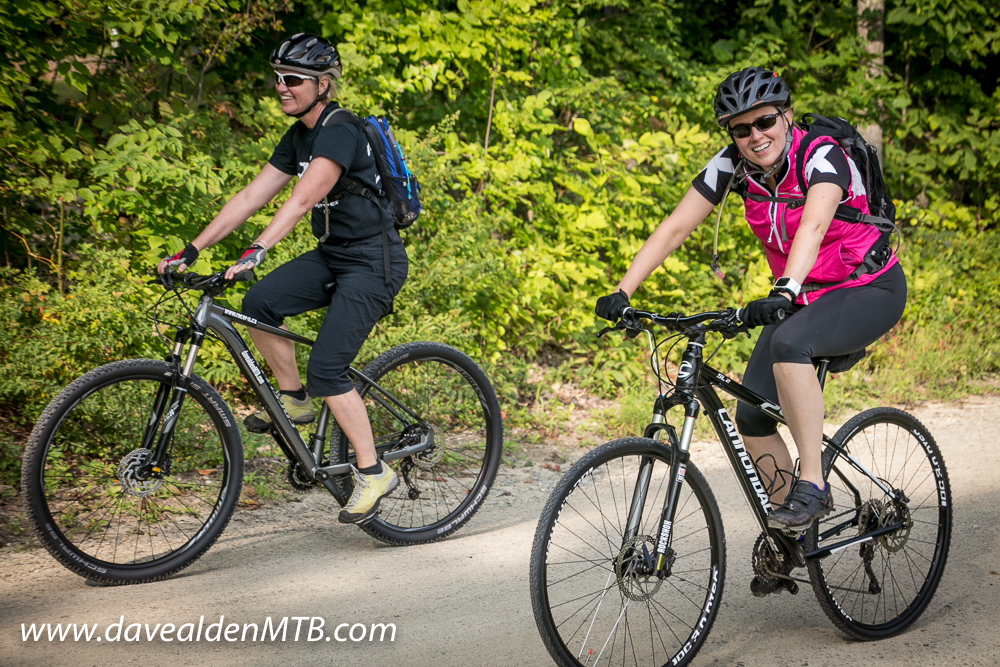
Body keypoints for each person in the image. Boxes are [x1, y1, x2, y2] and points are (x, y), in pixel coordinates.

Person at [595, 66, 906, 592]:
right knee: (752, 416)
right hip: (803, 295)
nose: (755, 136)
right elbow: (674, 226)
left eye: (765, 121)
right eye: (741, 129)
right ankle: (793, 536)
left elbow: (812, 224)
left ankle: (813, 483)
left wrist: (784, 290)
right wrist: (623, 291)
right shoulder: (733, 166)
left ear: (785, 116)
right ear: (731, 134)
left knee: (789, 343)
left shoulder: (822, 154)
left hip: (868, 288)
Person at [157, 33, 408, 525]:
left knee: (329, 370)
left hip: (373, 264)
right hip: (334, 255)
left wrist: (257, 250)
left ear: (322, 84)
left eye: (292, 79)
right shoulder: (299, 136)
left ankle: (373, 470)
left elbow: (300, 200)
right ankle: (293, 402)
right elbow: (253, 196)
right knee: (259, 302)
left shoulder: (341, 129)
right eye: (277, 78)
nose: (281, 87)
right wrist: (192, 249)